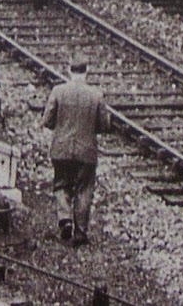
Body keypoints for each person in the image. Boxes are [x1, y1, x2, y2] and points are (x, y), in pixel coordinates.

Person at [41, 60, 111, 246]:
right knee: (84, 190)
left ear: (69, 70)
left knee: (61, 185)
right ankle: (80, 232)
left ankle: (65, 219)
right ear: (87, 71)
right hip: (86, 151)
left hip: (61, 149)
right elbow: (105, 125)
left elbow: (47, 120)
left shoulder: (58, 91)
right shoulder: (96, 95)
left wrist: (62, 127)